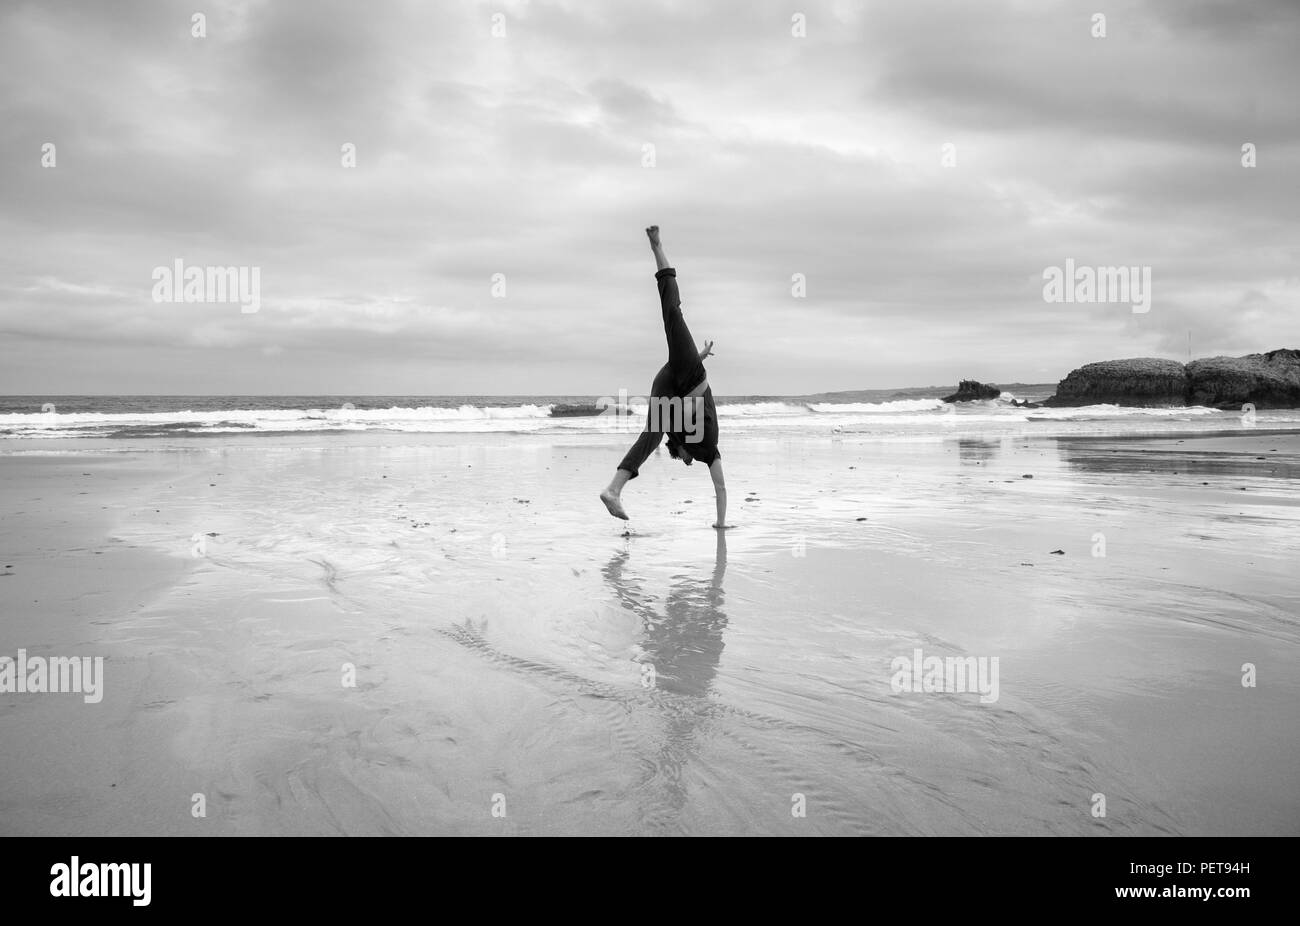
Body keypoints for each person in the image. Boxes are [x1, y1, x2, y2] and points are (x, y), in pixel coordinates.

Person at [600, 226, 729, 529]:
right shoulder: (708, 451)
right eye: (683, 458)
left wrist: (697, 356)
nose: (685, 461)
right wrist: (720, 524)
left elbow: (722, 489)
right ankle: (657, 247)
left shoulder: (684, 438)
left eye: (681, 457)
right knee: (673, 314)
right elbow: (720, 488)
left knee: (672, 314)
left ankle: (614, 489)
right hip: (687, 377)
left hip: (673, 378)